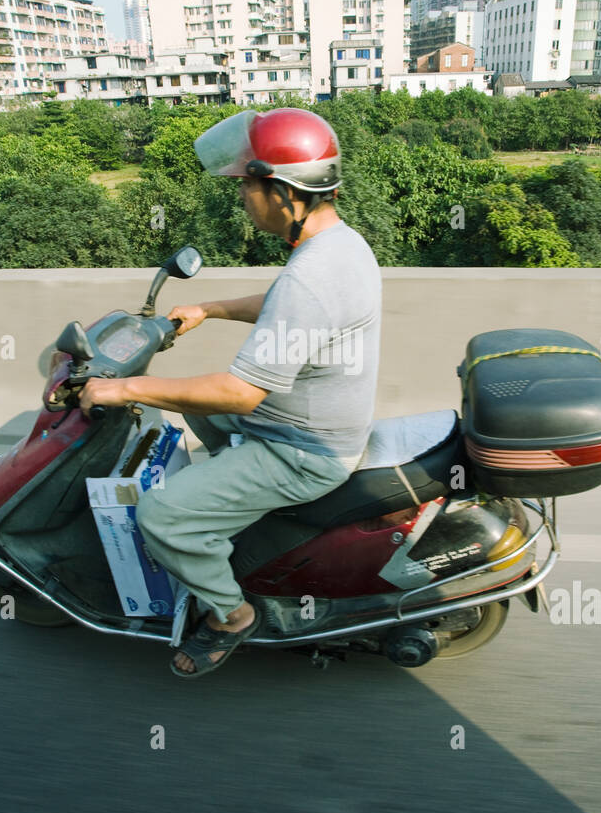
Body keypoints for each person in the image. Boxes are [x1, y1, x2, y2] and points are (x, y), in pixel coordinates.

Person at [79, 107, 381, 679]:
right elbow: (281, 309)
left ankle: (230, 614)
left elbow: (241, 393)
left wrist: (122, 388)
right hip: (305, 422)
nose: (241, 195)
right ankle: (224, 524)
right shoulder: (338, 246)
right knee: (196, 413)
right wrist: (210, 308)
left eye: (247, 183)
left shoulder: (311, 278)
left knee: (163, 513)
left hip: (302, 449)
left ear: (284, 193)